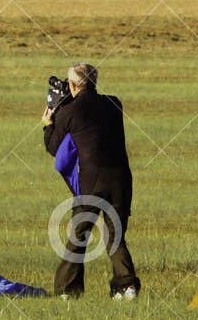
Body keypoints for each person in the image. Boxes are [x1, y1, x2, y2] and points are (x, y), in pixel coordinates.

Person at [41, 63, 140, 299]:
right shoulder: (114, 103)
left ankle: (67, 290)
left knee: (79, 235)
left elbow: (54, 147)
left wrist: (48, 124)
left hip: (92, 182)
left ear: (74, 85)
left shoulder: (69, 111)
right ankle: (126, 286)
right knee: (115, 235)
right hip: (122, 180)